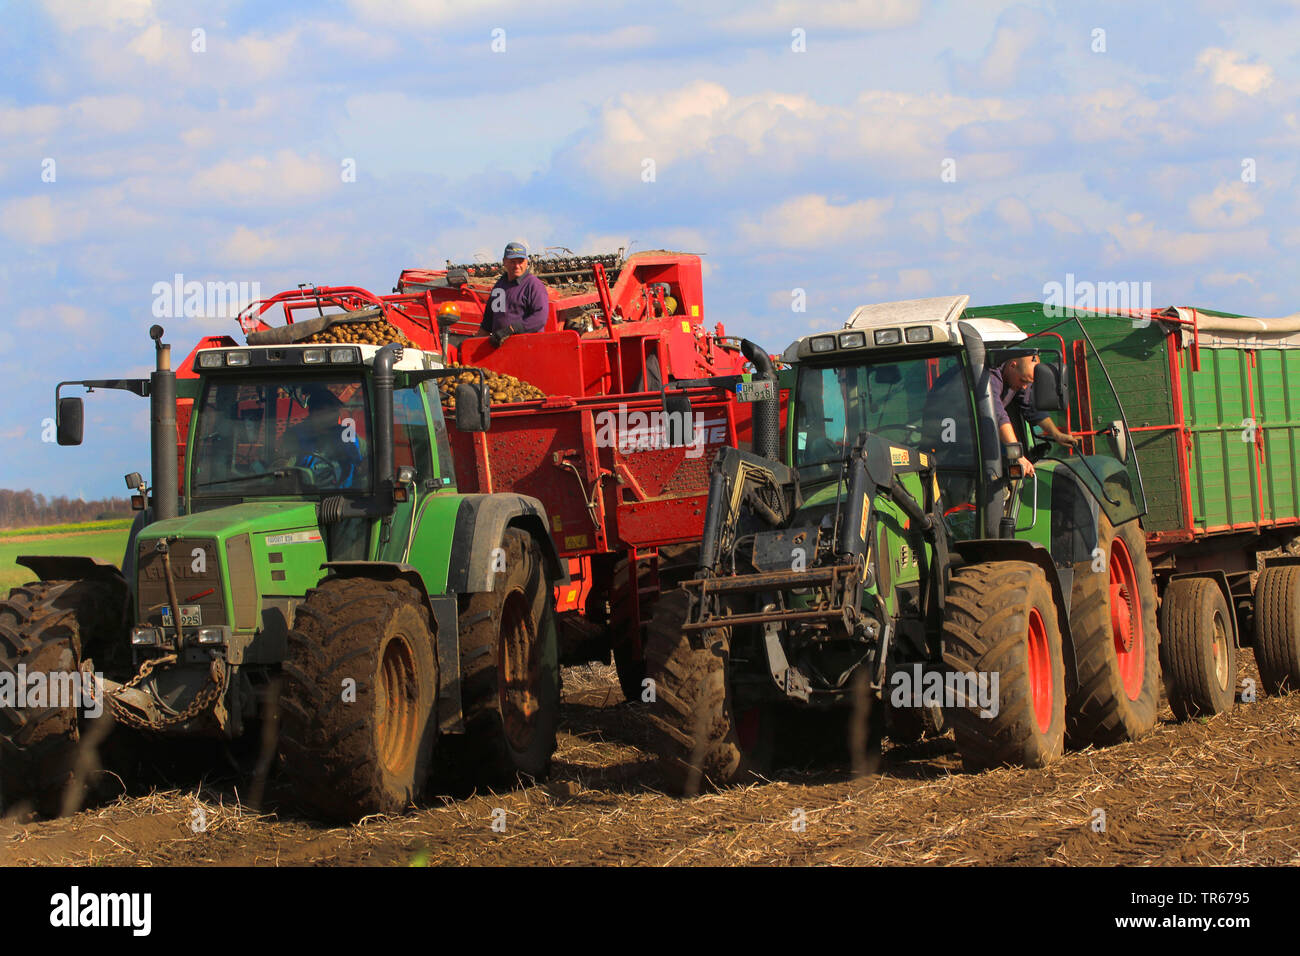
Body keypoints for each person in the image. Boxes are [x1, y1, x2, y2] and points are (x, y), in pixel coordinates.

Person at [991, 353, 1078, 477]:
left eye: (1028, 383)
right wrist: (1018, 455)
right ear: (1012, 366)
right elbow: (998, 415)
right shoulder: (990, 378)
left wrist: (1056, 434)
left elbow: (1032, 408)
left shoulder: (1016, 378)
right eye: (1023, 380)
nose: (1024, 386)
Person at [281, 385, 364, 489]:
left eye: (336, 411)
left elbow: (364, 462)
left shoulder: (347, 434)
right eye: (329, 411)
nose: (335, 416)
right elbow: (284, 467)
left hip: (343, 495)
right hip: (304, 496)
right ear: (315, 413)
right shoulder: (294, 435)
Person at [478, 241, 550, 346]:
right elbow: (487, 323)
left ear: (526, 262)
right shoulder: (499, 287)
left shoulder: (533, 285)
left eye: (520, 261)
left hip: (528, 347)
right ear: (504, 262)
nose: (517, 266)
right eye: (512, 261)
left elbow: (540, 318)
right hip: (501, 350)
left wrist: (513, 329)